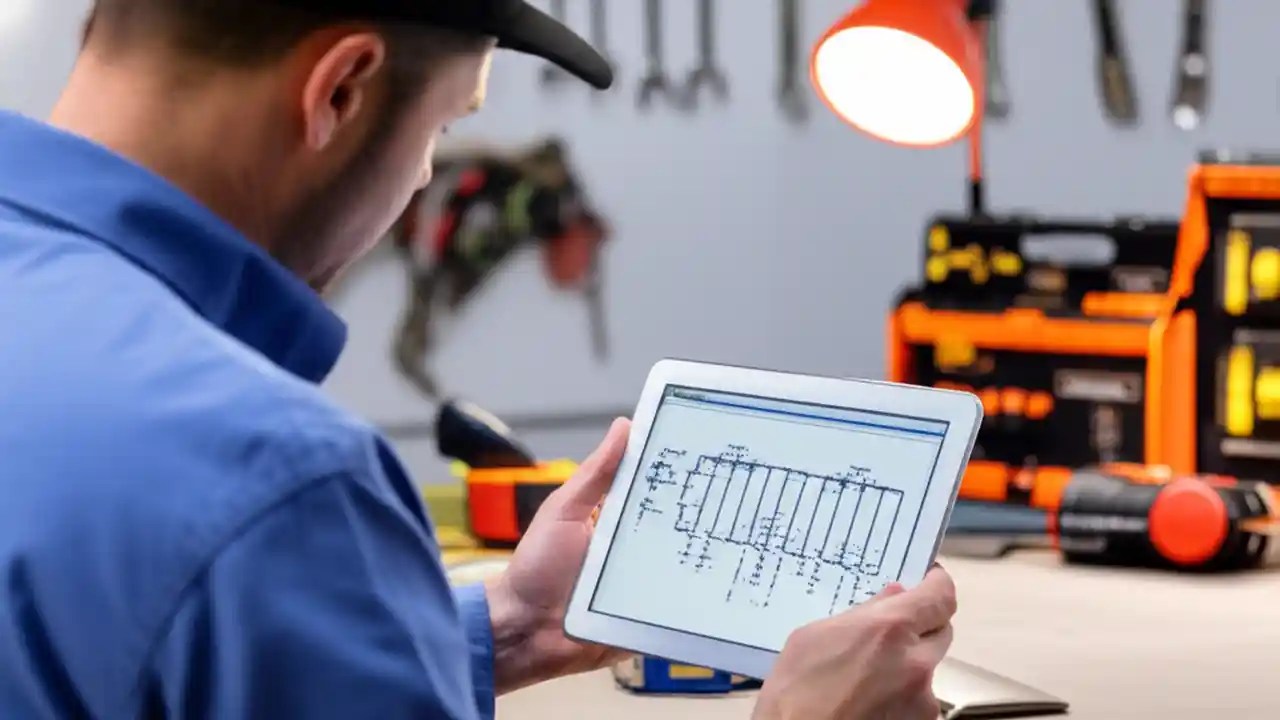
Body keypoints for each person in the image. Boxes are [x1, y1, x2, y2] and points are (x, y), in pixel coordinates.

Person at [0, 1, 958, 718]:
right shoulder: (273, 476)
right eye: (443, 129)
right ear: (340, 88)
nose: (423, 176)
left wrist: (508, 625)